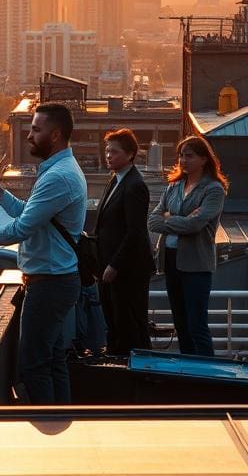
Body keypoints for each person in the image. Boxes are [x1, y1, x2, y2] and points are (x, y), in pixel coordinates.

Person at [0, 103, 85, 404]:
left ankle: (47, 430)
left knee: (33, 365)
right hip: (55, 279)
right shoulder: (60, 171)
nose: (29, 136)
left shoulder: (58, 177)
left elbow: (23, 227)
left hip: (49, 284)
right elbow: (33, 215)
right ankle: (60, 423)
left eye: (36, 129)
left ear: (55, 135)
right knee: (54, 360)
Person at [148, 135, 227, 357]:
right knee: (181, 323)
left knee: (196, 324)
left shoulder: (213, 190)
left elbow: (196, 224)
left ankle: (207, 372)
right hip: (171, 260)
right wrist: (180, 219)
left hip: (196, 264)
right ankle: (188, 368)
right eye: (181, 155)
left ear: (203, 159)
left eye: (189, 156)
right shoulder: (174, 186)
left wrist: (169, 218)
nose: (183, 160)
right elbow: (152, 221)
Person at [95, 128, 154, 355]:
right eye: (107, 150)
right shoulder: (116, 180)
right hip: (111, 268)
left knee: (129, 324)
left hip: (128, 271)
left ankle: (133, 374)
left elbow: (135, 232)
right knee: (115, 323)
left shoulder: (134, 185)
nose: (108, 155)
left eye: (115, 152)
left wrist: (115, 264)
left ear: (130, 155)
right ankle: (117, 364)